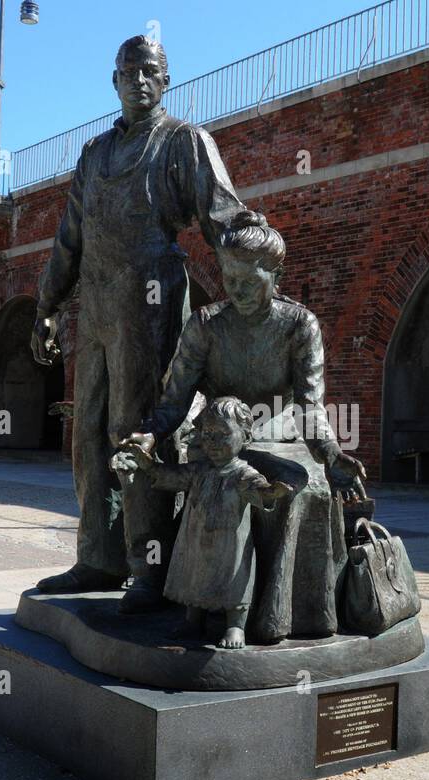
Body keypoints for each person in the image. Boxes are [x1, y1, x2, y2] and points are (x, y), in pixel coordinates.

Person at [29, 35, 261, 613]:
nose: (139, 80)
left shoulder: (184, 143)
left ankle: (148, 567)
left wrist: (256, 283)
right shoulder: (94, 154)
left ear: (166, 80)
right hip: (99, 309)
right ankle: (97, 556)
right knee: (87, 436)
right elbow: (69, 240)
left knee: (137, 434)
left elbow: (226, 217)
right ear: (113, 81)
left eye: (150, 72)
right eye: (128, 72)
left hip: (151, 305)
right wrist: (48, 306)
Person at [122, 215, 366, 641]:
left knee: (303, 490)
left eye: (249, 281)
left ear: (276, 274)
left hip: (281, 436)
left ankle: (283, 617)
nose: (237, 291)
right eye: (229, 280)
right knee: (211, 483)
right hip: (218, 440)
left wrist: (330, 454)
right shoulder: (205, 325)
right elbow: (173, 402)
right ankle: (203, 603)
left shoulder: (299, 326)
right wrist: (148, 436)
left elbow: (310, 406)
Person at [111, 397, 293, 648]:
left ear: (246, 437)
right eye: (207, 434)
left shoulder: (243, 473)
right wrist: (146, 463)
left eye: (222, 434)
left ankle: (235, 625)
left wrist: (271, 492)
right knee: (192, 577)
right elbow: (167, 476)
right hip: (194, 540)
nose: (214, 441)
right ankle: (192, 620)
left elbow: (259, 489)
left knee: (234, 580)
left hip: (230, 545)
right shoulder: (198, 470)